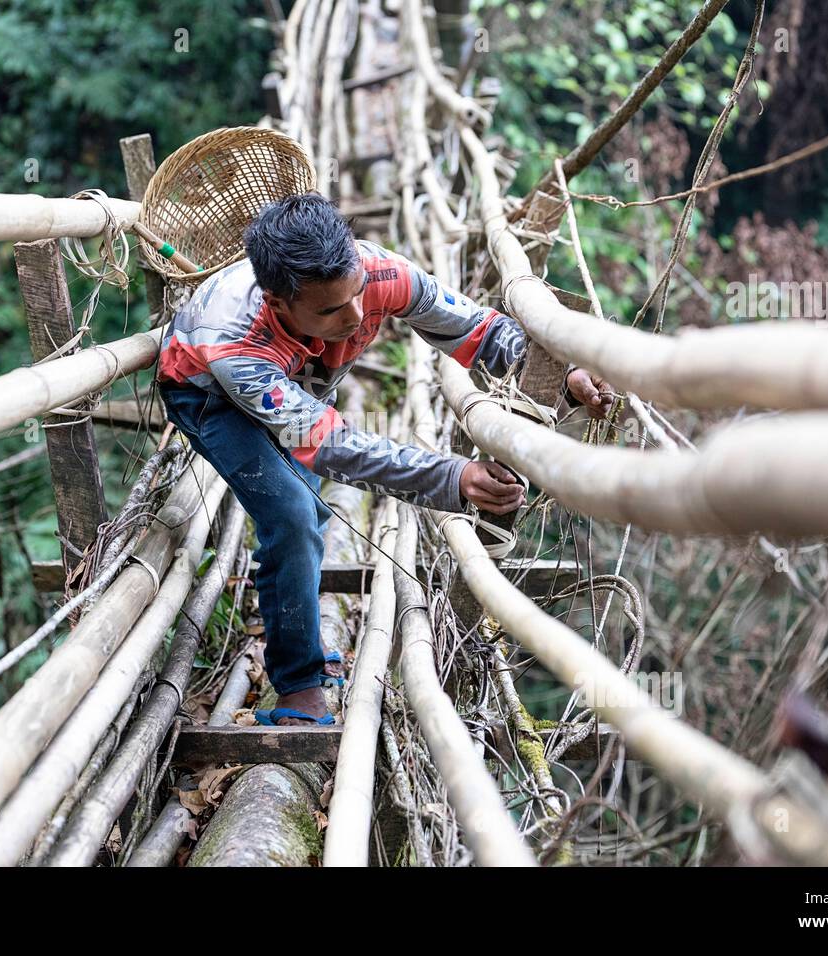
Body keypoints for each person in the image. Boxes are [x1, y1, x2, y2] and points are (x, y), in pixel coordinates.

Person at [157, 193, 614, 725]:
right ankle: (299, 682)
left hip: (301, 385)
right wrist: (452, 477)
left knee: (304, 510)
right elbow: (330, 446)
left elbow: (475, 330)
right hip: (208, 394)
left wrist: (563, 375)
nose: (354, 317)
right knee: (291, 513)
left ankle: (295, 627)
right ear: (280, 304)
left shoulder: (380, 273)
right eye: (330, 310)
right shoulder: (235, 343)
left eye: (355, 295)